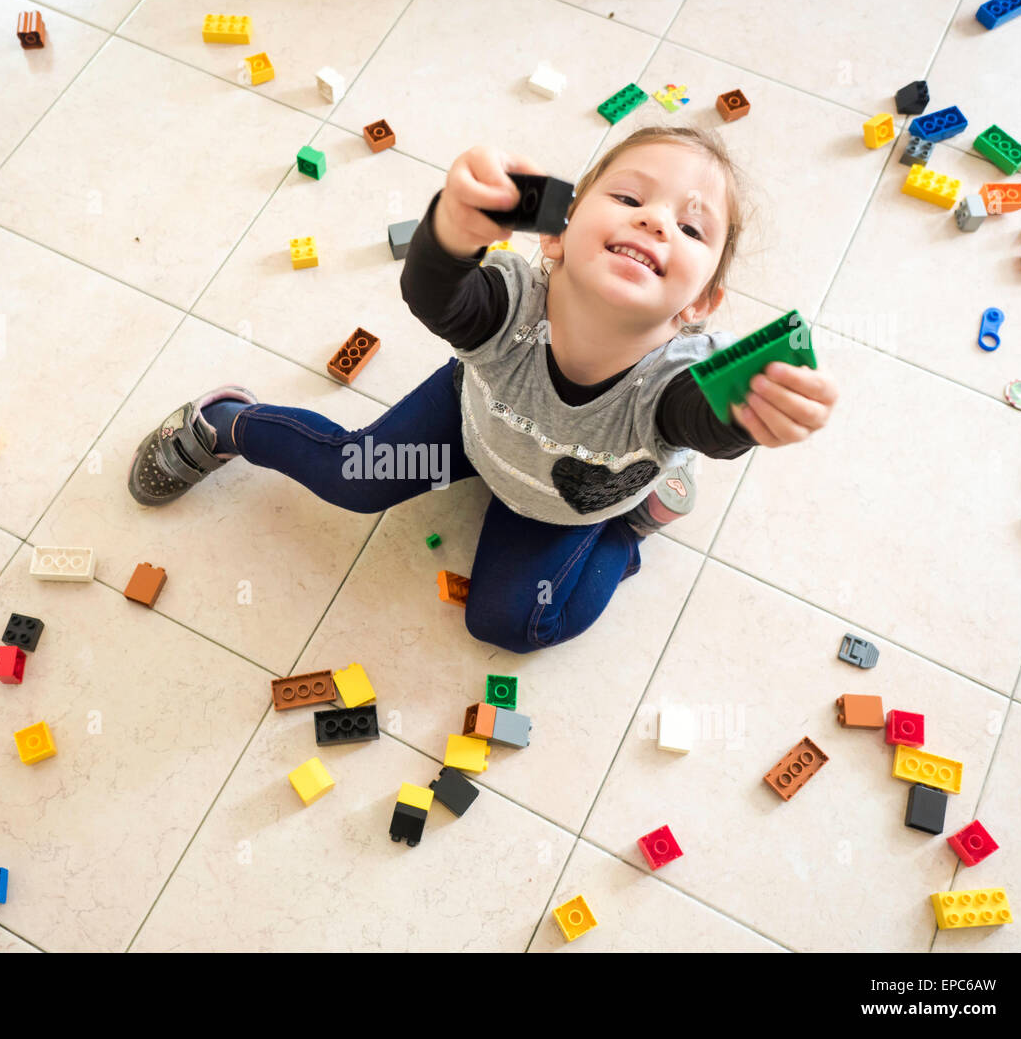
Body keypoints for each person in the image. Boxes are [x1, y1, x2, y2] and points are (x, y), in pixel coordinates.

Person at [127, 126, 838, 653]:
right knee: (351, 475)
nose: (656, 219)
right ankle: (226, 423)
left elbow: (703, 421)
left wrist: (750, 414)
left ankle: (630, 530)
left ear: (700, 303)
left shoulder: (677, 381)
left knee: (508, 623)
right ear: (555, 236)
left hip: (574, 502)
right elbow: (436, 294)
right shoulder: (514, 300)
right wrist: (451, 229)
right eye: (628, 197)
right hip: (468, 429)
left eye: (690, 226)